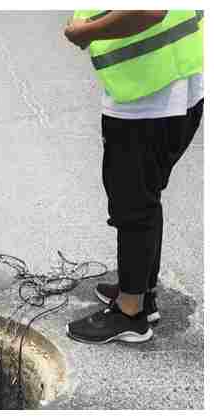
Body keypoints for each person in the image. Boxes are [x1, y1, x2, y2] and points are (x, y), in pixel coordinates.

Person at [64, 10, 203, 344]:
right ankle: (142, 292)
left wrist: (87, 32)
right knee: (145, 197)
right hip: (174, 86)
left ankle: (130, 314)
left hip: (147, 97)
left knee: (132, 205)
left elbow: (149, 10)